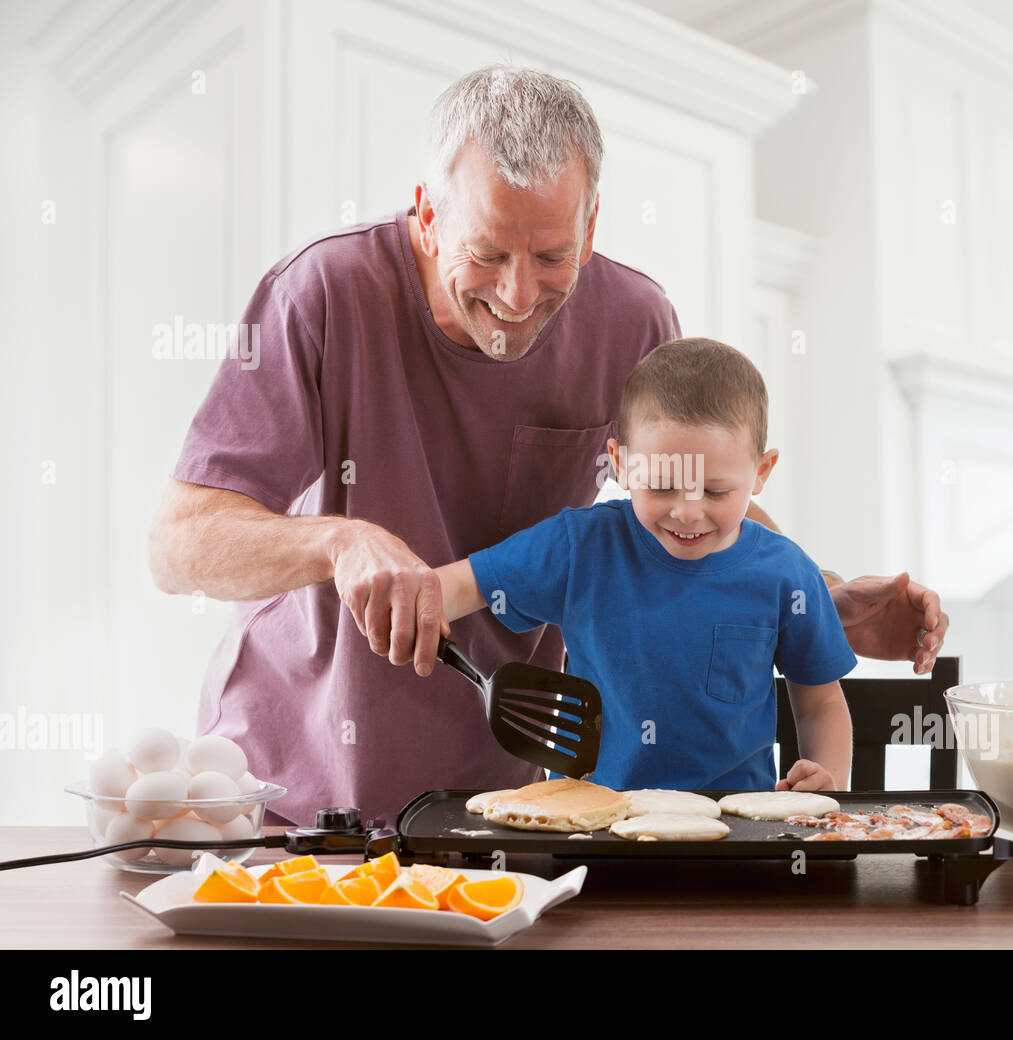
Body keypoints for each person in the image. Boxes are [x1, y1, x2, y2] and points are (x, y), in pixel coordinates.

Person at [148, 64, 948, 826]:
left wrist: (820, 599)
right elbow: (179, 547)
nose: (517, 296)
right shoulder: (322, 293)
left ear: (590, 227)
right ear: (427, 216)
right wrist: (338, 541)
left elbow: (683, 497)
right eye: (488, 253)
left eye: (552, 256)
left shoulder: (633, 321)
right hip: (300, 782)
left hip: (512, 792)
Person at [433, 338, 856, 791]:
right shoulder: (580, 546)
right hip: (592, 831)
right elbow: (458, 586)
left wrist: (828, 780)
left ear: (761, 472)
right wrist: (411, 602)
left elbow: (820, 704)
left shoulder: (787, 574)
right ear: (621, 465)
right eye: (660, 486)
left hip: (738, 833)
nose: (688, 512)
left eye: (715, 491)